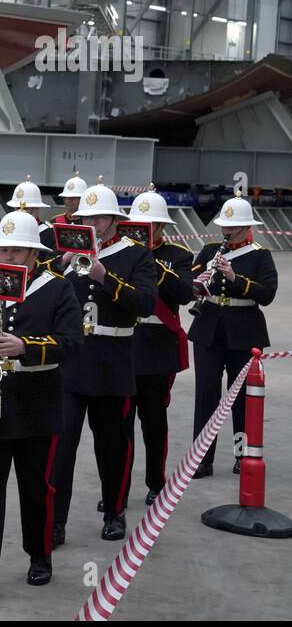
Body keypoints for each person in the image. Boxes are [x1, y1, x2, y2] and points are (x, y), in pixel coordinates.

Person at [0, 210, 82, 603]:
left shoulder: (57, 288)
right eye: (2, 249)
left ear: (32, 254)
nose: (6, 256)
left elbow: (72, 341)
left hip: (36, 404)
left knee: (35, 488)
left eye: (16, 250)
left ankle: (39, 555)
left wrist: (26, 347)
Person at [50, 179, 156, 544]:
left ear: (113, 218)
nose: (91, 225)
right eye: (86, 218)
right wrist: (58, 265)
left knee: (112, 446)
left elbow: (145, 303)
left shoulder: (135, 253)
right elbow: (37, 290)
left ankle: (114, 511)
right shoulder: (64, 251)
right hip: (72, 361)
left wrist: (105, 278)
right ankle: (56, 520)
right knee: (61, 448)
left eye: (98, 219)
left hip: (113, 361)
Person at [189, 192, 277, 476]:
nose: (226, 232)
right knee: (206, 394)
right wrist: (198, 283)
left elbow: (267, 294)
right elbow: (190, 283)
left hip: (245, 330)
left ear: (246, 228)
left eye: (232, 228)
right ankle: (202, 458)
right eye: (224, 227)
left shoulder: (260, 255)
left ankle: (242, 454)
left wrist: (234, 278)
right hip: (209, 329)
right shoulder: (209, 250)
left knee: (241, 397)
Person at [128, 186, 193, 503]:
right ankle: (118, 487)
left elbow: (184, 293)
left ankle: (156, 481)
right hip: (124, 346)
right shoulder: (121, 254)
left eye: (150, 225)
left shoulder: (178, 256)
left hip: (157, 348)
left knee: (154, 422)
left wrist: (151, 263)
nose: (144, 230)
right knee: (119, 425)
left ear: (162, 227)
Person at [39, 173, 87, 253]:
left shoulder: (89, 222)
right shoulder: (54, 222)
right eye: (67, 197)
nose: (69, 201)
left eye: (74, 198)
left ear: (83, 199)